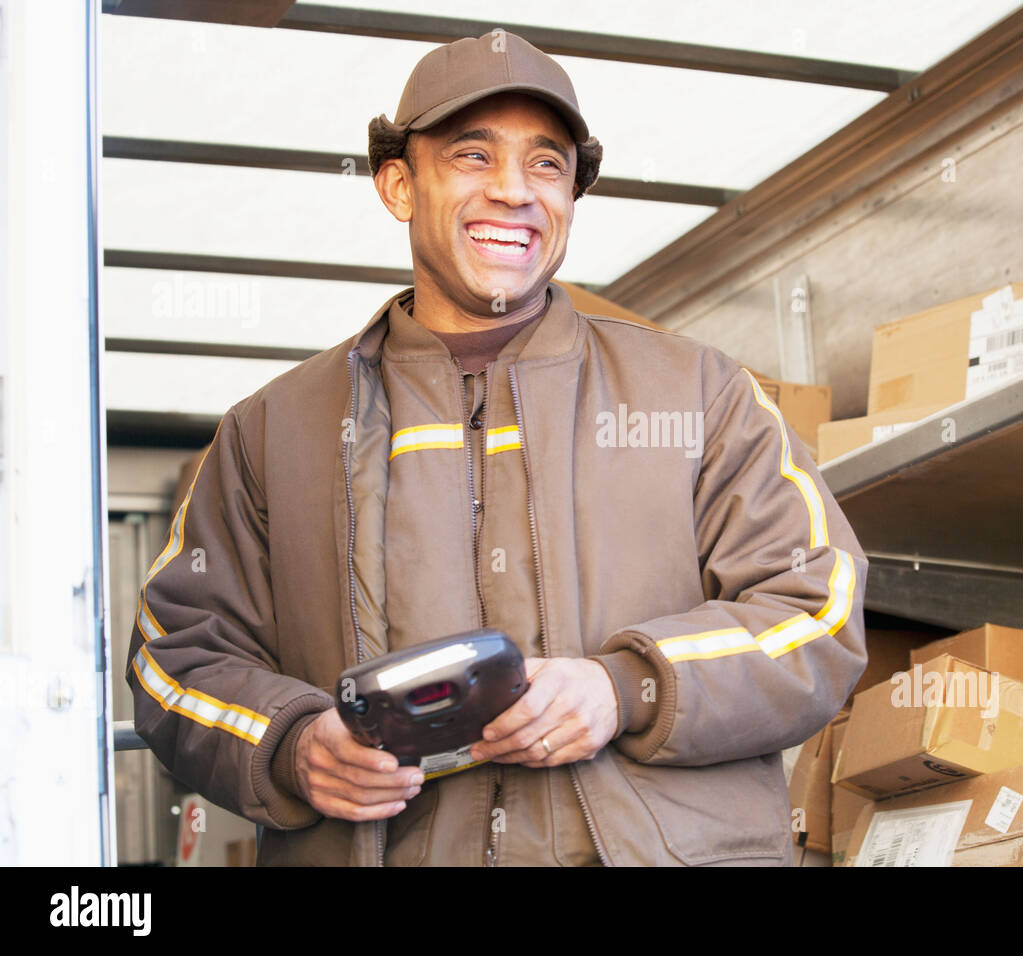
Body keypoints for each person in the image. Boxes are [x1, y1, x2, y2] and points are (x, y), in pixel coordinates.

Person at [126, 30, 869, 866]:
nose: (514, 191)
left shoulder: (701, 392)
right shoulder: (270, 431)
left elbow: (818, 612)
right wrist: (293, 745)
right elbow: (172, 654)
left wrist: (624, 688)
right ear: (399, 185)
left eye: (546, 164)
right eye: (472, 156)